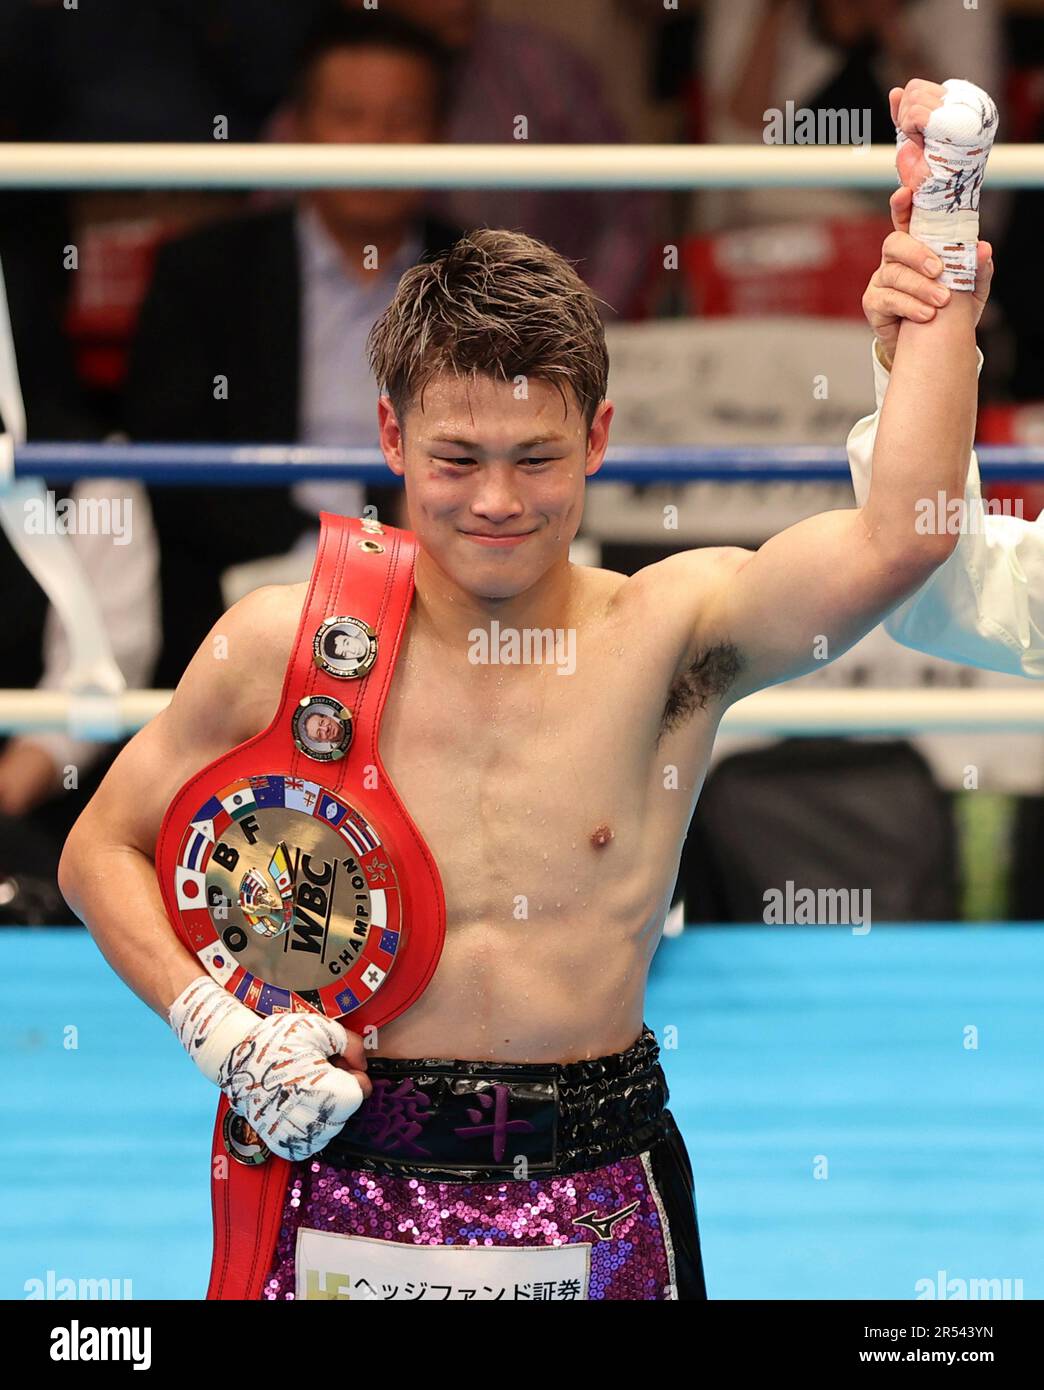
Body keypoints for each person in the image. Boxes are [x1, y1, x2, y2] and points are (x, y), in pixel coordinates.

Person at [59, 78, 993, 1300]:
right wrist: (221, 1032)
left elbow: (902, 539)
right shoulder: (285, 641)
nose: (497, 501)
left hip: (593, 1176)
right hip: (337, 1166)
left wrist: (943, 268)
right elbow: (99, 850)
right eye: (456, 458)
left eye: (536, 457)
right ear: (391, 440)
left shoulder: (672, 633)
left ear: (598, 438)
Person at [124, 9, 461, 688]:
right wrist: (327, 560)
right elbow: (166, 458)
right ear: (300, 128)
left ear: (440, 136)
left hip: (447, 586)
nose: (375, 144)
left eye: (402, 121)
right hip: (250, 593)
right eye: (350, 116)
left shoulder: (482, 272)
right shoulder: (205, 269)